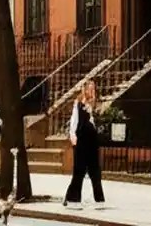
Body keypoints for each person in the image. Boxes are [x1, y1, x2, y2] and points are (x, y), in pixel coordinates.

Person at [63, 79, 106, 210]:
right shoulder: (79, 104)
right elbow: (74, 121)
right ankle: (72, 198)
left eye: (94, 88)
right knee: (79, 170)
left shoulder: (96, 105)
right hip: (81, 140)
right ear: (85, 89)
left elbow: (97, 122)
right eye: (90, 88)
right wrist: (73, 136)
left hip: (92, 141)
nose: (92, 91)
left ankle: (99, 200)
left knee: (95, 171)